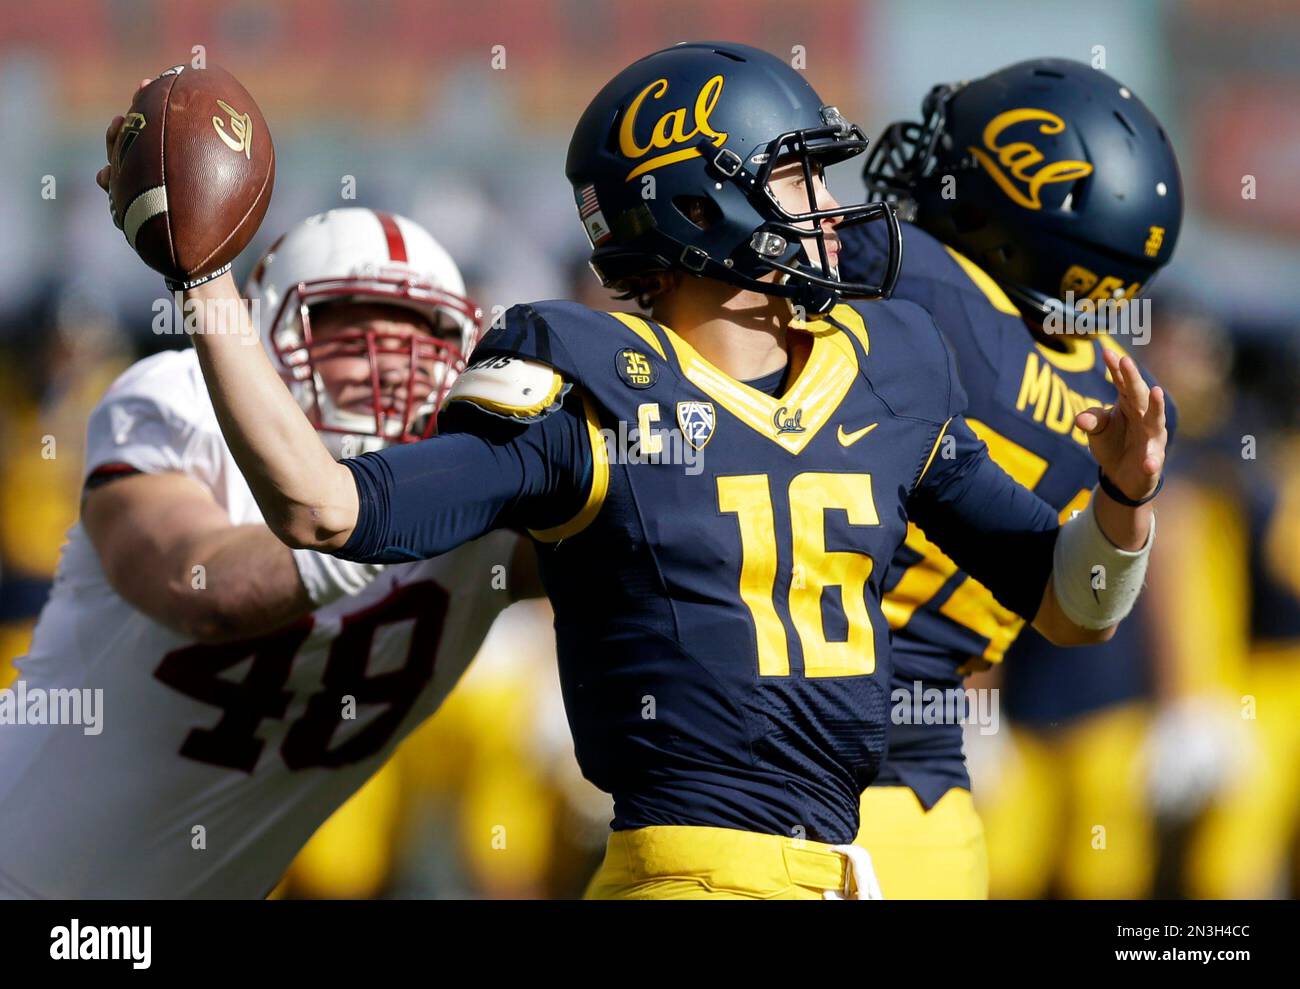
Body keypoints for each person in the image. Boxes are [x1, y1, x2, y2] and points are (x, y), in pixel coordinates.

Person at [99, 43, 1166, 900]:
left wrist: (1123, 501)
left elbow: (1071, 604)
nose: (830, 207)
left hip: (854, 862)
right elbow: (324, 505)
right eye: (797, 177)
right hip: (698, 871)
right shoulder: (587, 393)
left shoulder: (883, 369)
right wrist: (211, 288)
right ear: (704, 205)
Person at [0, 206, 533, 898]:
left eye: (428, 328)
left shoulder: (482, 485)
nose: (399, 353)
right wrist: (395, 514)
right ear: (271, 334)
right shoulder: (182, 406)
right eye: (356, 317)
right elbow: (204, 590)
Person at [839, 58, 1183, 898]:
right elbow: (1082, 612)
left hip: (784, 772)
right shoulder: (1101, 396)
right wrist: (1128, 500)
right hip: (932, 813)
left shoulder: (902, 275)